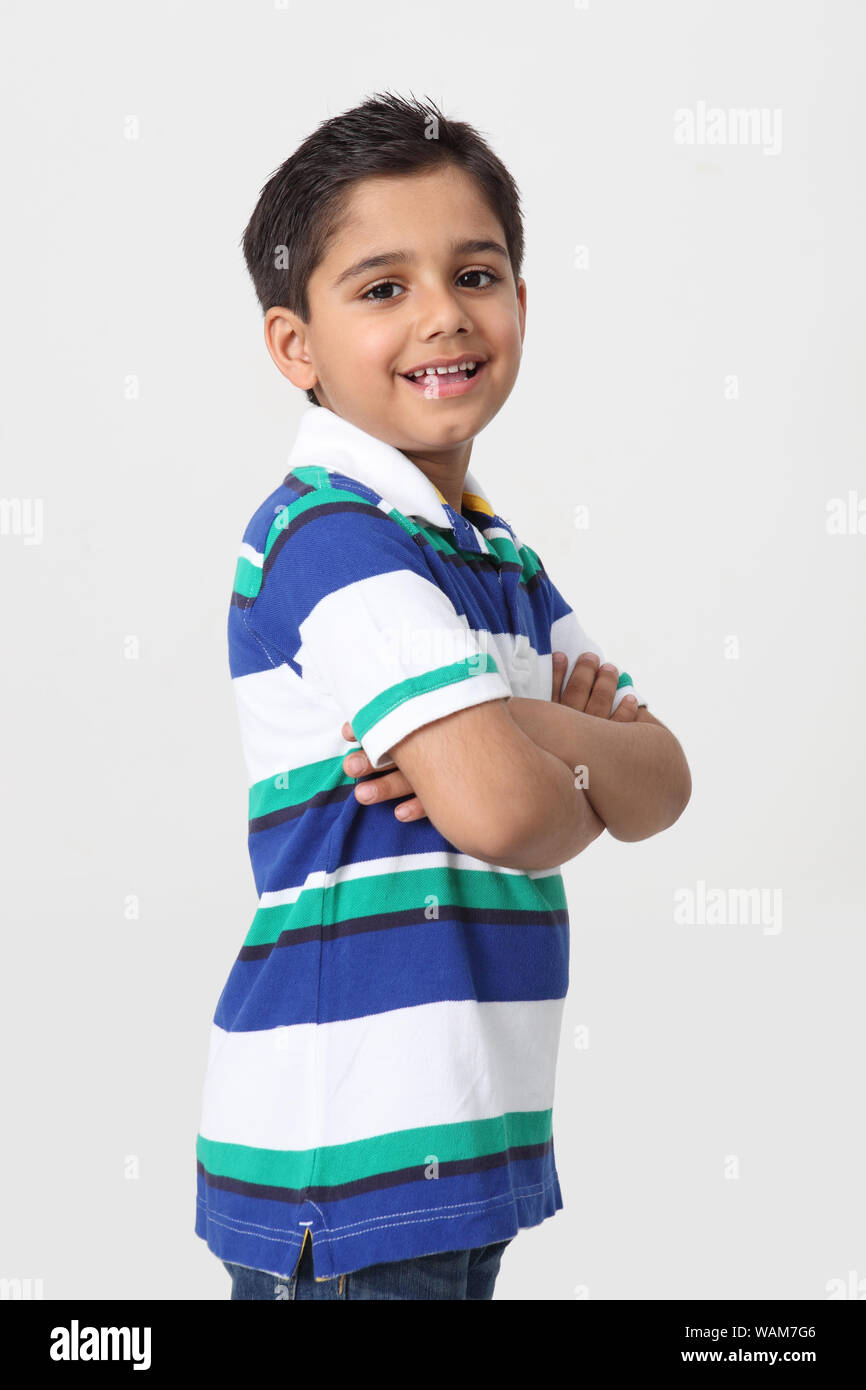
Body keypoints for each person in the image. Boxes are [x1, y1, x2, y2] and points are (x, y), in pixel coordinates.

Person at [194, 90, 692, 1301]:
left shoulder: (491, 553)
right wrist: (565, 760)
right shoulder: (327, 536)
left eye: (475, 272)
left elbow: (663, 779)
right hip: (351, 1161)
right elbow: (514, 821)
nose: (440, 317)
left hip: (470, 1142)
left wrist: (517, 727)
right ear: (293, 346)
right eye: (379, 288)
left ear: (521, 299)